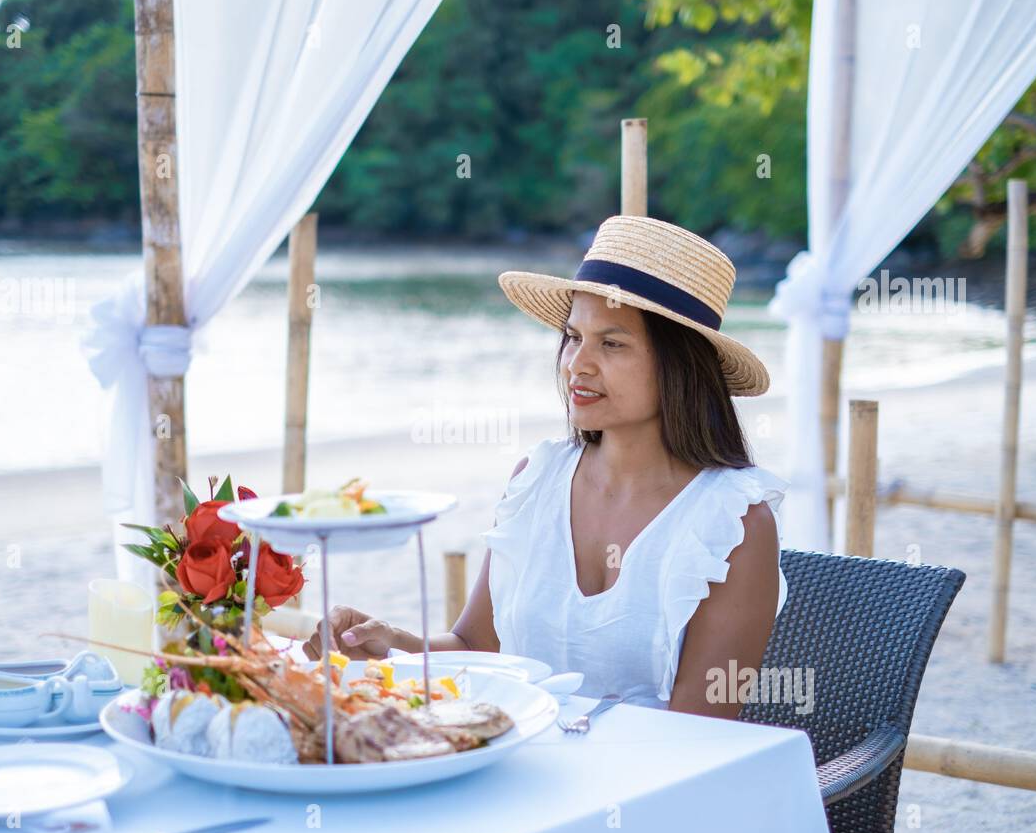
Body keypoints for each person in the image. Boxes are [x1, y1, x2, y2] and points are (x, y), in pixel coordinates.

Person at [305, 214, 788, 718]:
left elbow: (700, 732)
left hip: (636, 769)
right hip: (515, 756)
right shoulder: (536, 479)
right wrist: (390, 645)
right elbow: (478, 648)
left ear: (680, 365)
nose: (577, 363)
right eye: (573, 337)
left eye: (612, 343)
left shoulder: (733, 523)